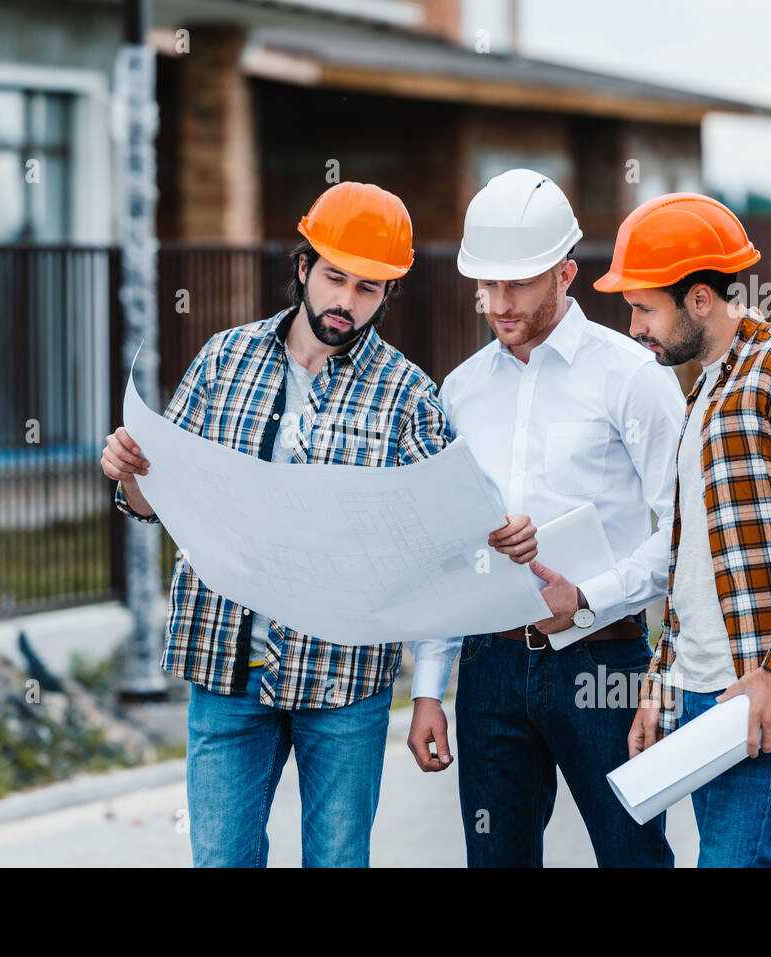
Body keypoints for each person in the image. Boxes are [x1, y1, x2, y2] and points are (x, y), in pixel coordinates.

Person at [103, 181, 492, 868]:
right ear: (304, 266)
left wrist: (431, 687)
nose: (347, 302)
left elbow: (441, 552)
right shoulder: (224, 362)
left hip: (342, 680)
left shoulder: (408, 397)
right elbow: (156, 504)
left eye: (369, 288)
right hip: (226, 664)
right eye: (336, 277)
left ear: (388, 294)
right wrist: (132, 475)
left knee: (338, 861)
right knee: (222, 859)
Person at [406, 169, 682, 867]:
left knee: (634, 857)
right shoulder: (460, 391)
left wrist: (588, 596)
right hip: (489, 668)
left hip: (602, 659)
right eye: (486, 283)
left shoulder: (631, 377)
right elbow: (450, 548)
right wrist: (429, 687)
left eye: (517, 284)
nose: (497, 303)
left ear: (565, 274)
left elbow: (687, 533)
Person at [594, 192, 771, 867]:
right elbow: (696, 563)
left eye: (645, 307)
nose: (634, 327)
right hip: (702, 691)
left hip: (761, 690)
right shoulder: (705, 388)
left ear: (701, 298)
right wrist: (661, 680)